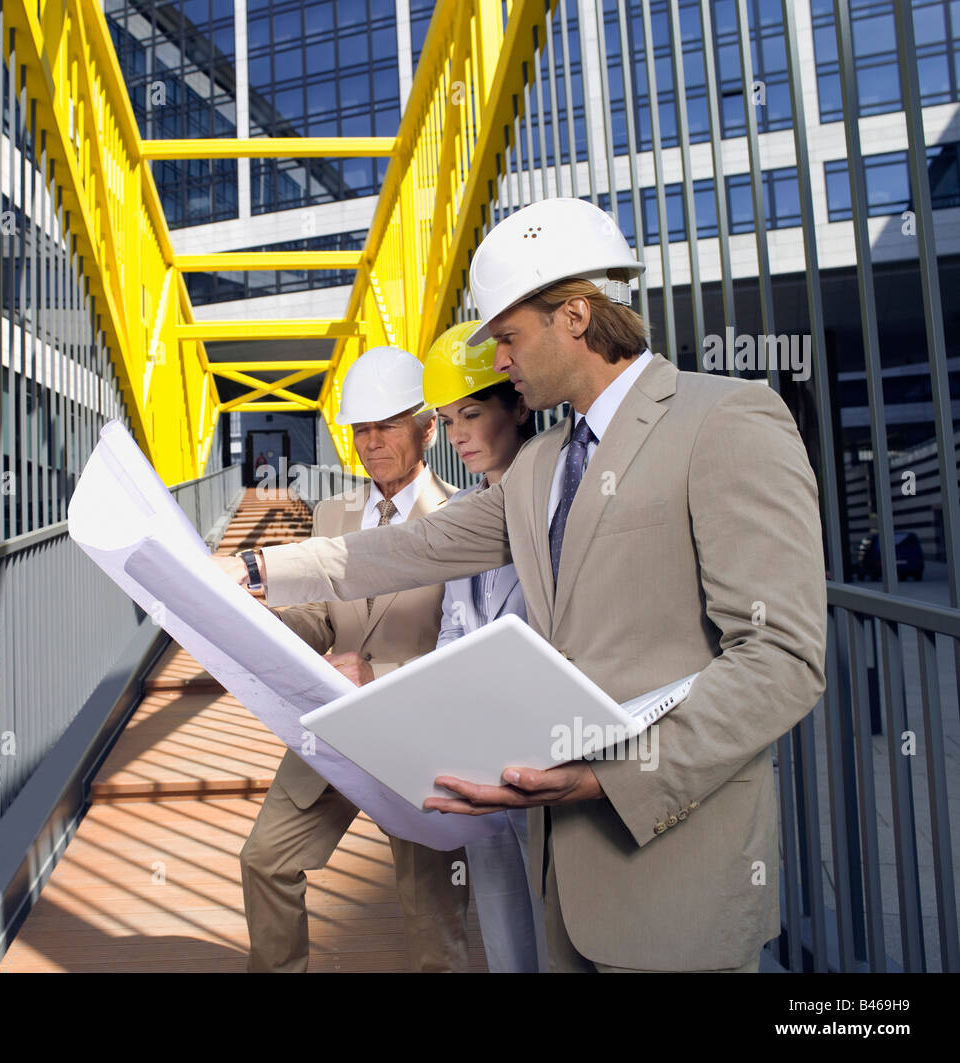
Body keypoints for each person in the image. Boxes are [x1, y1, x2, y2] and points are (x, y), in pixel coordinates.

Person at [218, 197, 827, 973]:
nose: (499, 361)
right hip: (559, 879)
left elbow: (782, 657)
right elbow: (414, 547)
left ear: (575, 316)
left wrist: (607, 778)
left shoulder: (728, 421)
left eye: (507, 336)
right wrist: (256, 569)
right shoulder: (540, 467)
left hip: (675, 872)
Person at [238, 346, 471, 973]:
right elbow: (322, 615)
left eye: (386, 426)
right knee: (265, 859)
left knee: (432, 914)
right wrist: (261, 621)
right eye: (359, 430)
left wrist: (379, 676)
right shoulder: (335, 514)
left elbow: (466, 646)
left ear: (425, 428)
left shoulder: (461, 519)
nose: (370, 443)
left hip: (416, 740)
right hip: (335, 726)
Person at [423, 319, 543, 973]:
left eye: (471, 412)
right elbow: (450, 630)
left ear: (519, 404)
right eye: (446, 419)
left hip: (548, 760)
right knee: (505, 946)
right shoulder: (457, 518)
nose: (457, 434)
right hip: (479, 767)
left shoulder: (566, 502)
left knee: (560, 941)